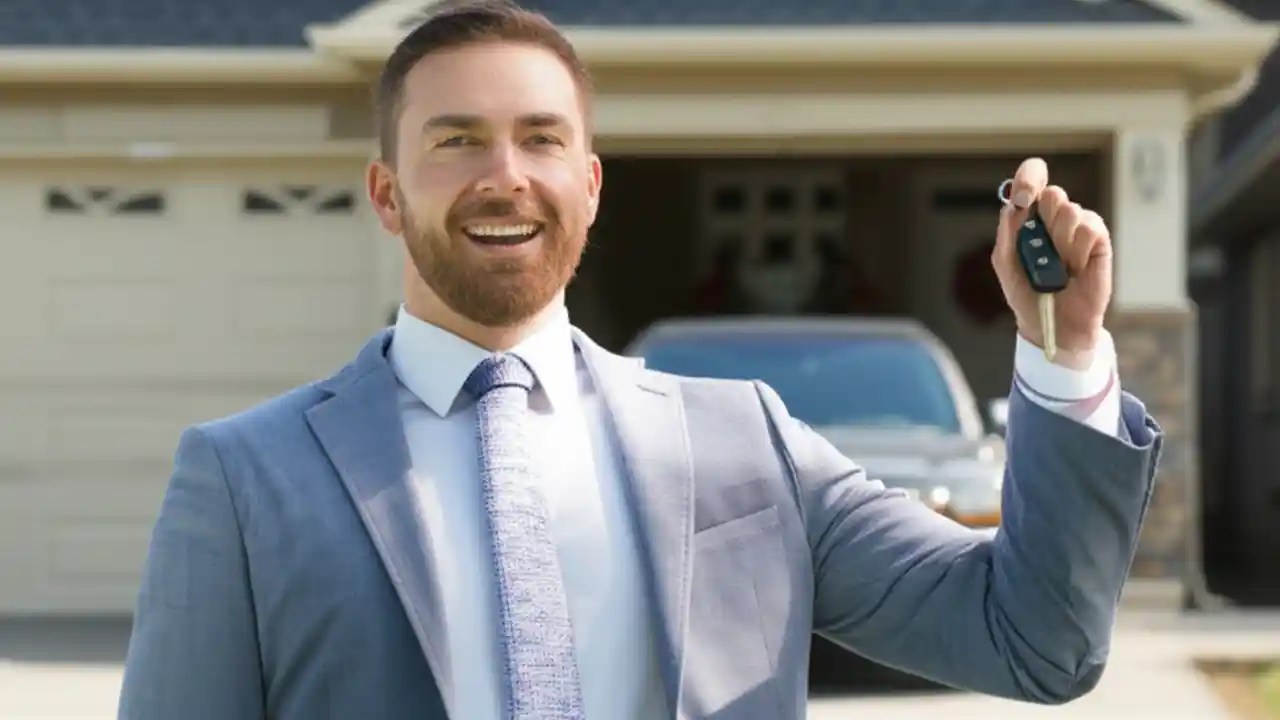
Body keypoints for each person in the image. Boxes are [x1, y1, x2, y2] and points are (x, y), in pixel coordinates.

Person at [116, 1, 1163, 718]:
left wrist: (1065, 353)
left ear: (590, 185)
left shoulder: (745, 445)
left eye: (540, 138)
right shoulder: (243, 479)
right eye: (455, 140)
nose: (504, 175)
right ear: (387, 194)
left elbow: (1035, 643)